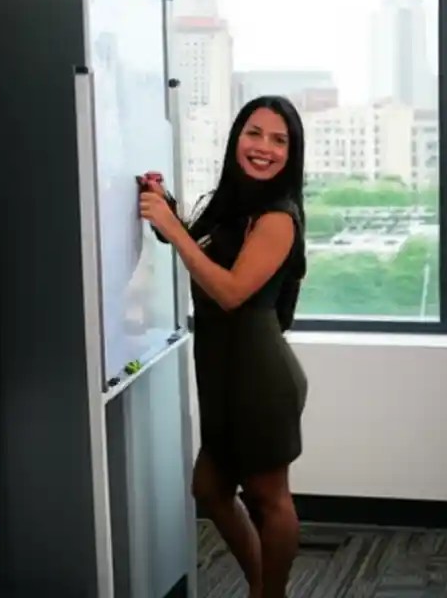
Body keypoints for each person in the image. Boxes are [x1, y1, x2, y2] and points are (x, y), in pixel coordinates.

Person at [139, 95, 309, 598]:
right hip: (223, 373)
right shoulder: (234, 203)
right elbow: (201, 249)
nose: (263, 147)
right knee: (210, 490)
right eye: (254, 133)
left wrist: (173, 229)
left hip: (260, 377)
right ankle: (261, 585)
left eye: (279, 140)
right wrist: (167, 209)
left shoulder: (278, 217)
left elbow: (231, 292)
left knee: (269, 498)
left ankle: (269, 594)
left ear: (291, 154)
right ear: (237, 138)